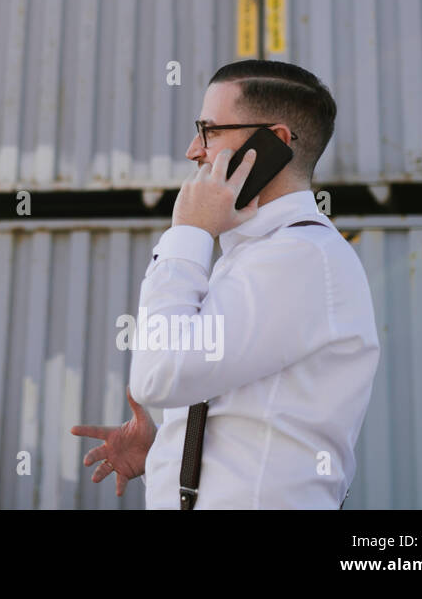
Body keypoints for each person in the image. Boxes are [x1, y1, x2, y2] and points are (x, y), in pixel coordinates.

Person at [72, 60, 380, 508]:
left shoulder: (301, 258)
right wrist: (171, 453)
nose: (192, 150)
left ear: (272, 143)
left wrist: (187, 234)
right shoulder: (255, 257)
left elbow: (157, 377)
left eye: (209, 130)